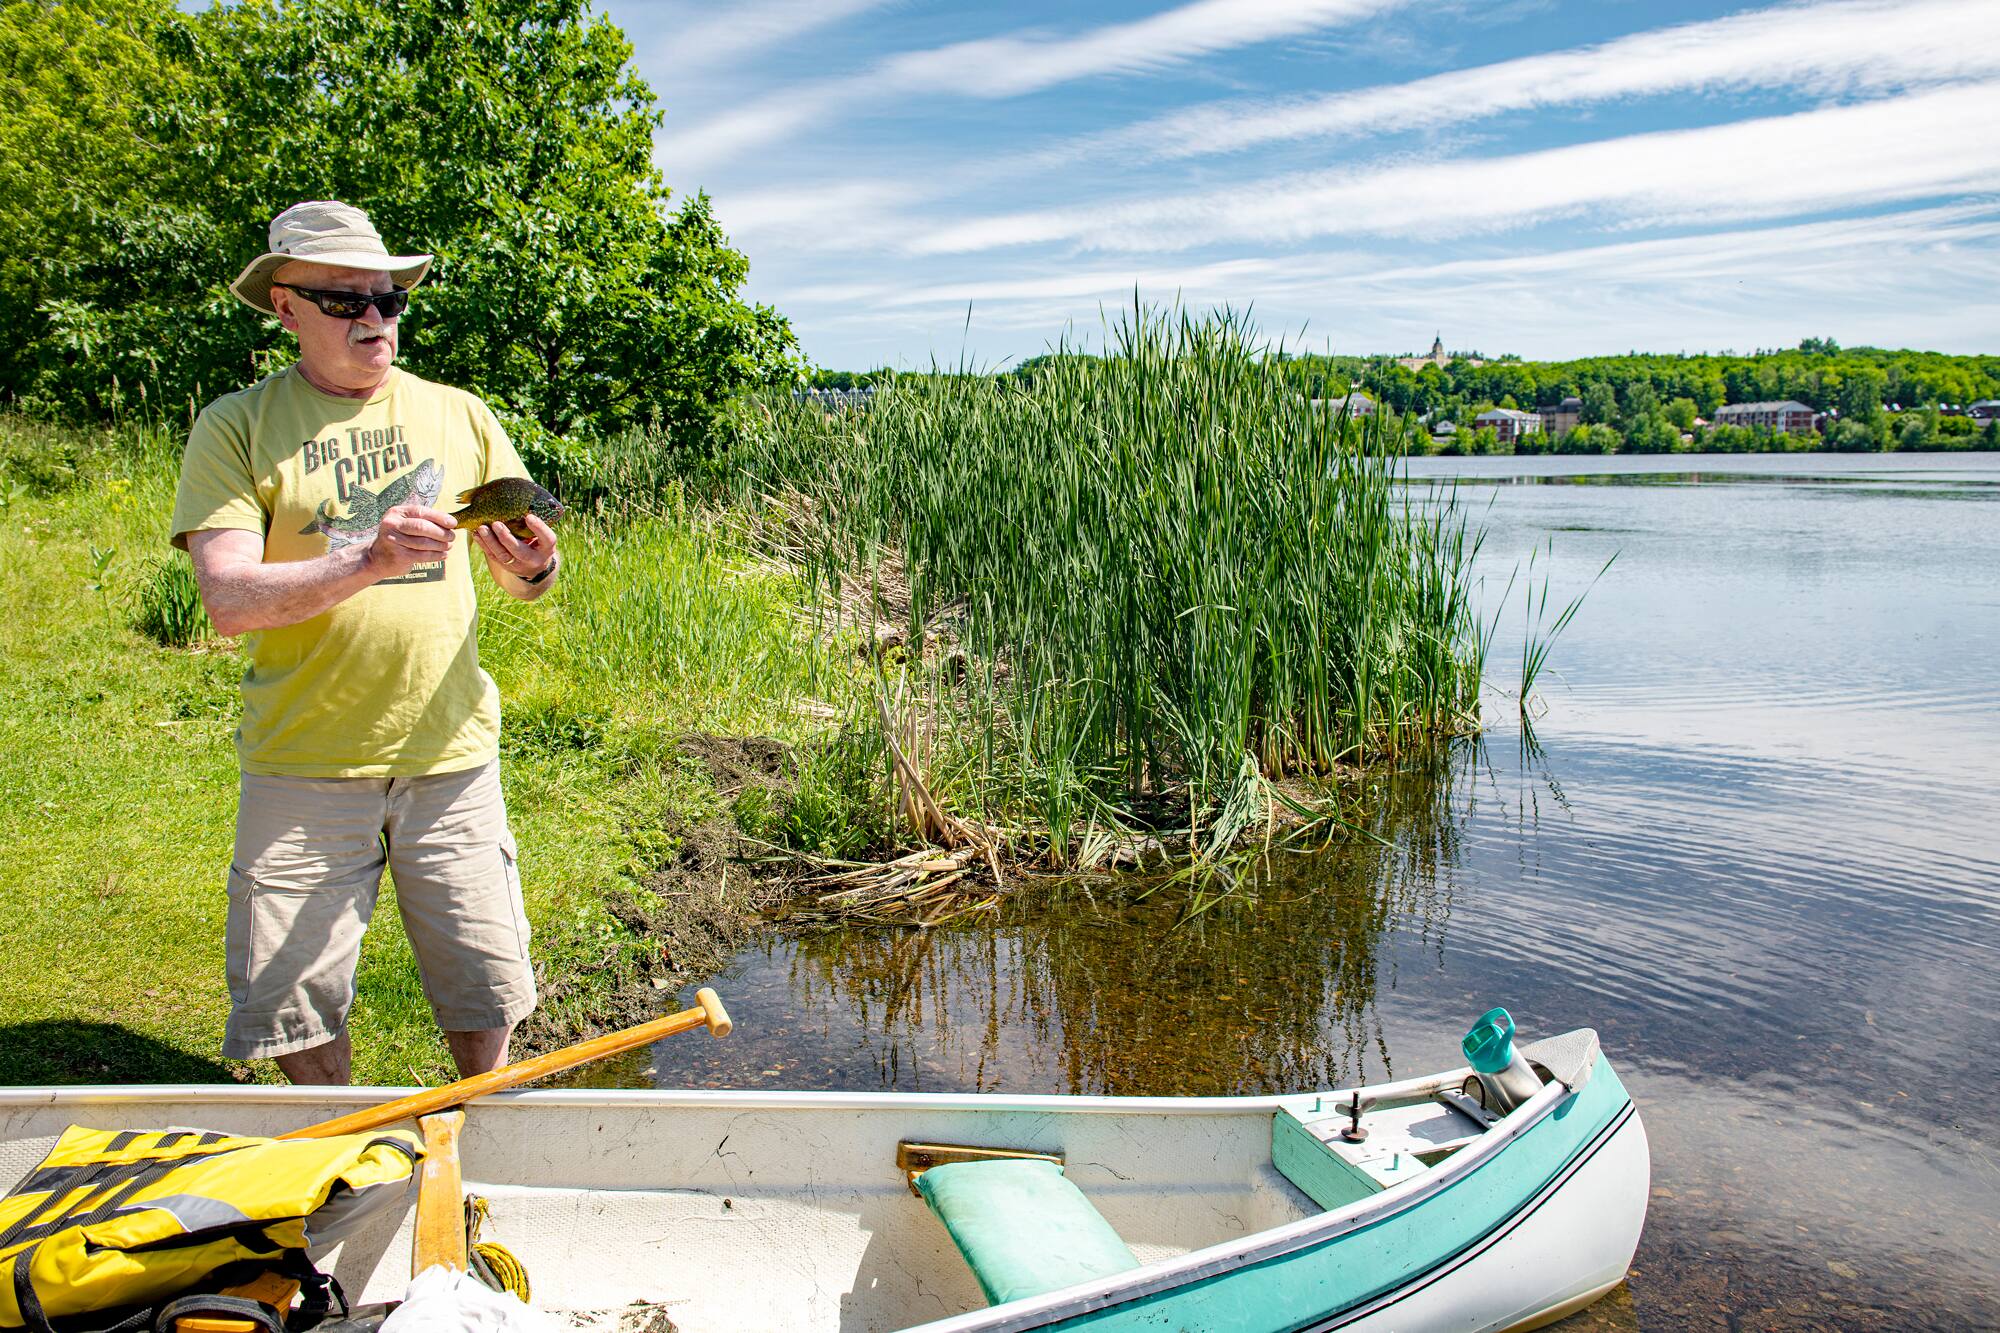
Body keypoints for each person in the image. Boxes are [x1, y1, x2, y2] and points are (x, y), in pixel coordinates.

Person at [171, 200, 560, 1085]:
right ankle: (337, 1156)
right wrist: (371, 558)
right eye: (347, 302)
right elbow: (228, 597)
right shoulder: (235, 425)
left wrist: (534, 564)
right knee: (293, 1003)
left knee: (489, 987)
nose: (376, 320)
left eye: (388, 300)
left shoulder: (460, 414)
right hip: (304, 762)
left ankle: (474, 1144)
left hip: (451, 754)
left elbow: (520, 573)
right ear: (286, 308)